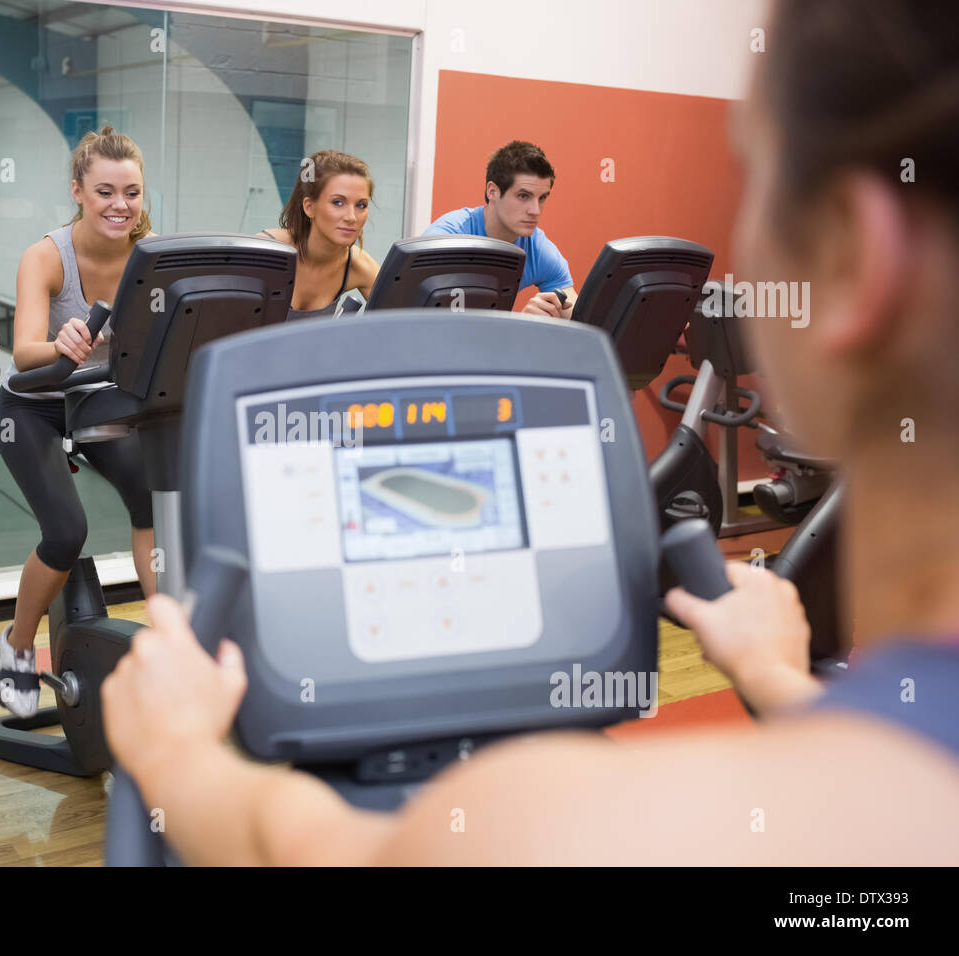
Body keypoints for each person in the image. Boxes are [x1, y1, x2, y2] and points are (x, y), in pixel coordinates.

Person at [99, 0, 959, 864]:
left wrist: (169, 745)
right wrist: (778, 678)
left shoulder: (545, 824)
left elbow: (307, 843)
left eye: (757, 175)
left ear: (852, 260)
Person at [0, 126, 155, 718]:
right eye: (105, 191)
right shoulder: (46, 255)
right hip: (32, 403)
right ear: (78, 191)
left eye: (131, 192)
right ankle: (15, 645)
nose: (120, 205)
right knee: (65, 531)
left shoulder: (149, 256)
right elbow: (25, 350)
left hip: (95, 401)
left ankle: (168, 641)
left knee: (153, 500)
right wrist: (61, 340)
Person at [425, 141, 576, 319]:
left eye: (542, 198)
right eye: (523, 196)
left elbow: (578, 319)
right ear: (492, 192)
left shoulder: (537, 248)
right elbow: (422, 323)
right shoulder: (446, 238)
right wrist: (519, 323)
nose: (535, 210)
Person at [256, 150, 380, 320]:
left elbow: (406, 325)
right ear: (309, 207)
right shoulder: (265, 252)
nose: (351, 217)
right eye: (338, 202)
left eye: (361, 205)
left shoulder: (358, 265)